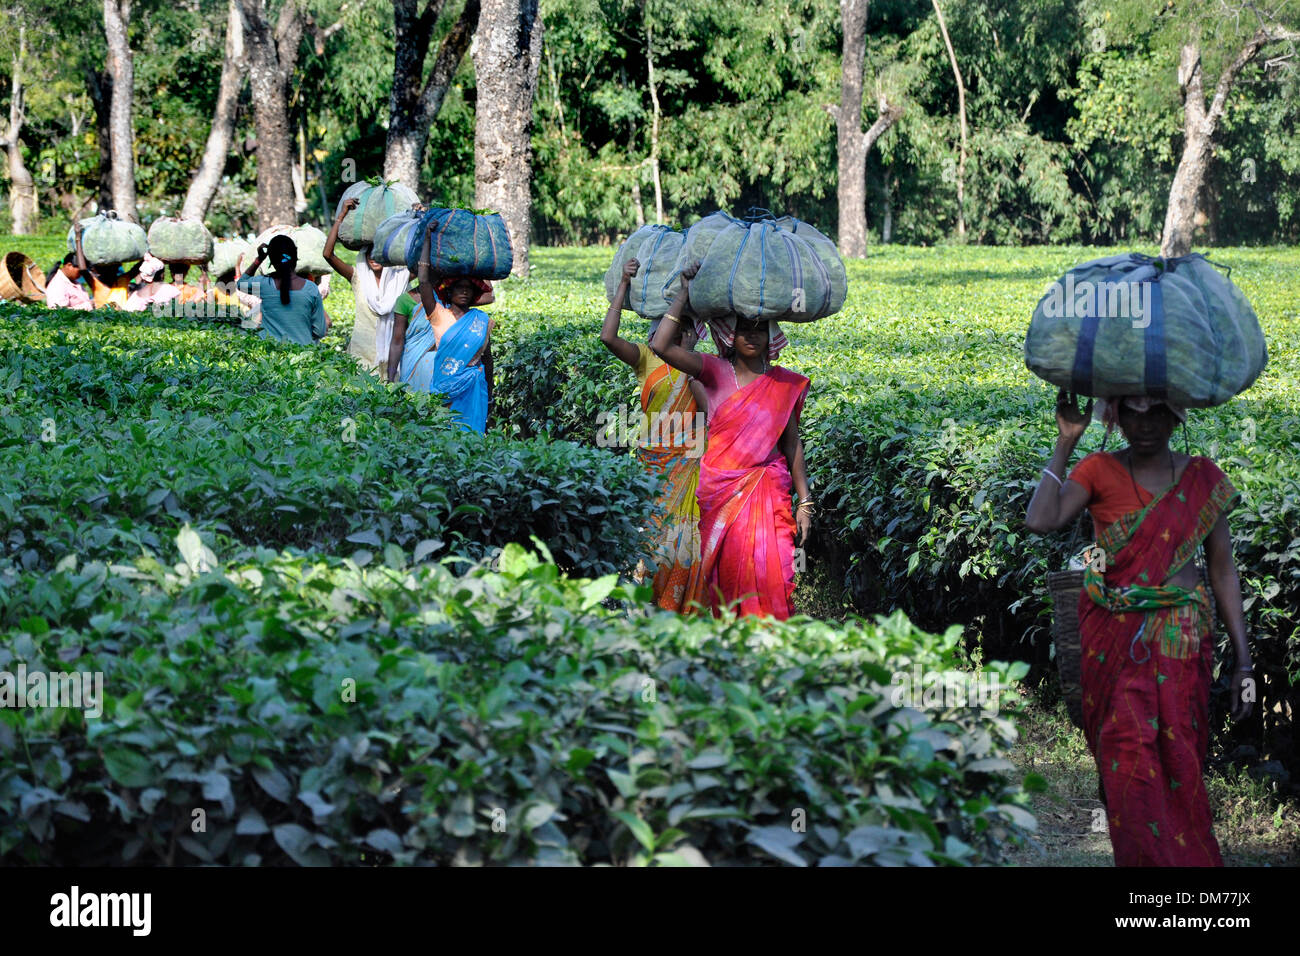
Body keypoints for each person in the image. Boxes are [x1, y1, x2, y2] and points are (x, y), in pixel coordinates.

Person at [1025, 391, 1254, 867]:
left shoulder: (1201, 478)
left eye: (1157, 412)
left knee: (1180, 758)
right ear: (1115, 415)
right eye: (1132, 410)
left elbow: (1222, 570)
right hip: (1114, 639)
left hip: (1182, 639)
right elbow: (1040, 519)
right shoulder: (1097, 470)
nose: (1144, 423)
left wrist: (1244, 659)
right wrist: (1067, 440)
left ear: (1176, 416)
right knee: (1129, 758)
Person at [649, 262, 812, 620]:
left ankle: (770, 650)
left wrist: (805, 502)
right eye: (743, 330)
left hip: (768, 493)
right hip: (720, 492)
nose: (751, 336)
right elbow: (660, 344)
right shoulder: (712, 370)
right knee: (726, 582)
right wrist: (685, 292)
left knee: (775, 572)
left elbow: (792, 445)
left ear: (772, 337)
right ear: (730, 337)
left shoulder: (784, 384)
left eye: (759, 330)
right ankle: (731, 650)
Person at [602, 257, 707, 613]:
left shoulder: (701, 364)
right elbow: (608, 337)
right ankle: (642, 607)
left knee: (682, 539)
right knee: (650, 536)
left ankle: (677, 608)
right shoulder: (647, 358)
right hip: (654, 466)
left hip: (689, 465)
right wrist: (623, 285)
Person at [387, 220, 495, 433]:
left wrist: (490, 394)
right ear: (449, 292)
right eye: (459, 288)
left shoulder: (481, 321)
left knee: (471, 439)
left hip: (474, 389)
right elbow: (425, 281)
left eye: (468, 289)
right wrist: (427, 237)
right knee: (444, 435)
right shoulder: (439, 315)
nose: (464, 292)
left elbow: (488, 360)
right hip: (445, 388)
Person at [324, 196, 411, 380]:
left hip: (396, 355)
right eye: (369, 252)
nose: (373, 257)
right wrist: (341, 216)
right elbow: (328, 254)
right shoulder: (357, 277)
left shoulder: (402, 276)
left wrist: (419, 219)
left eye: (378, 252)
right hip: (362, 353)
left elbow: (423, 262)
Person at [238, 234, 329, 345]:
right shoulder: (311, 288)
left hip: (271, 354)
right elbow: (320, 332)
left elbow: (241, 284)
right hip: (304, 354)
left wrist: (259, 259)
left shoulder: (263, 283)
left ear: (271, 260)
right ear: (295, 257)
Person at [72, 222, 140, 309]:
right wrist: (78, 238)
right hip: (101, 320)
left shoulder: (123, 280)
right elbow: (82, 269)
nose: (109, 272)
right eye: (105, 269)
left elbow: (139, 265)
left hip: (122, 320)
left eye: (112, 268)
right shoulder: (96, 283)